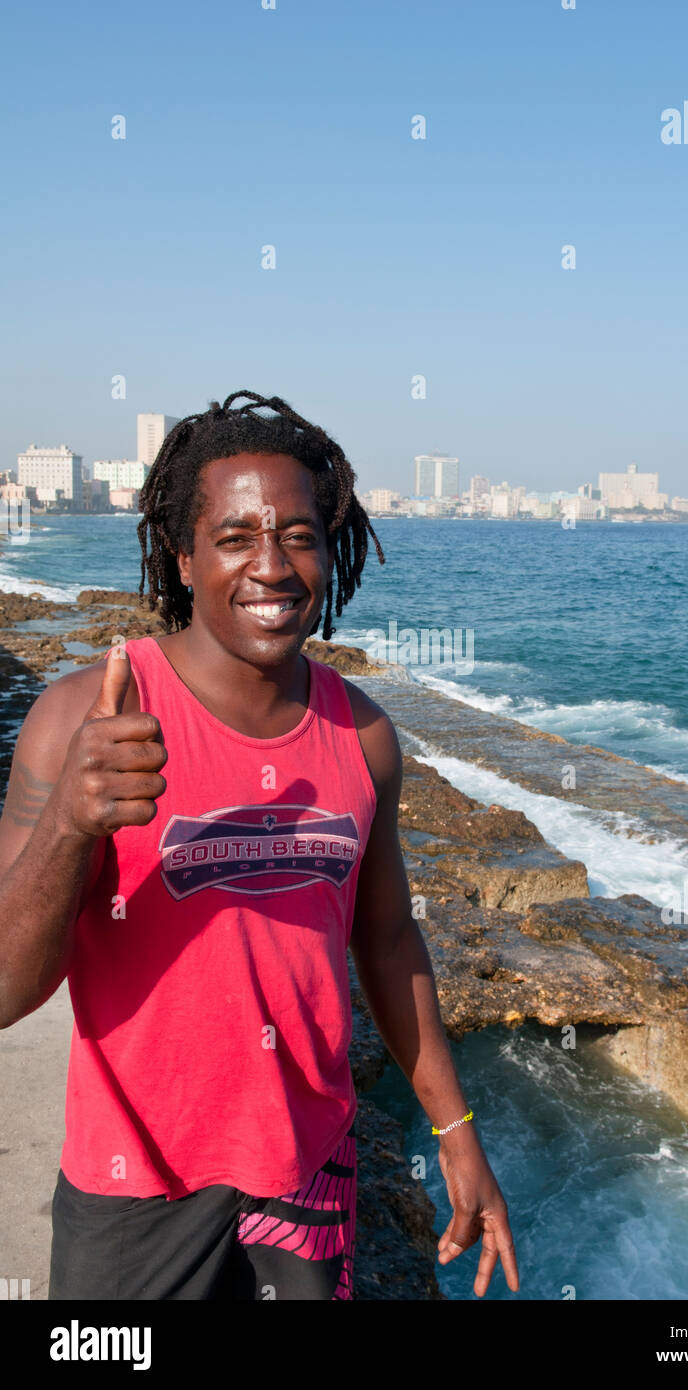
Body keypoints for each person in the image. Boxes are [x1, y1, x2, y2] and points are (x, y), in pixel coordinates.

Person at [0, 390, 518, 1301]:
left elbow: (389, 939)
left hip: (304, 1174)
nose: (272, 566)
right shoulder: (83, 718)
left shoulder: (364, 738)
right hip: (133, 1197)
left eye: (301, 536)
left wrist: (456, 1130)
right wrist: (69, 826)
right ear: (183, 555)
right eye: (236, 536)